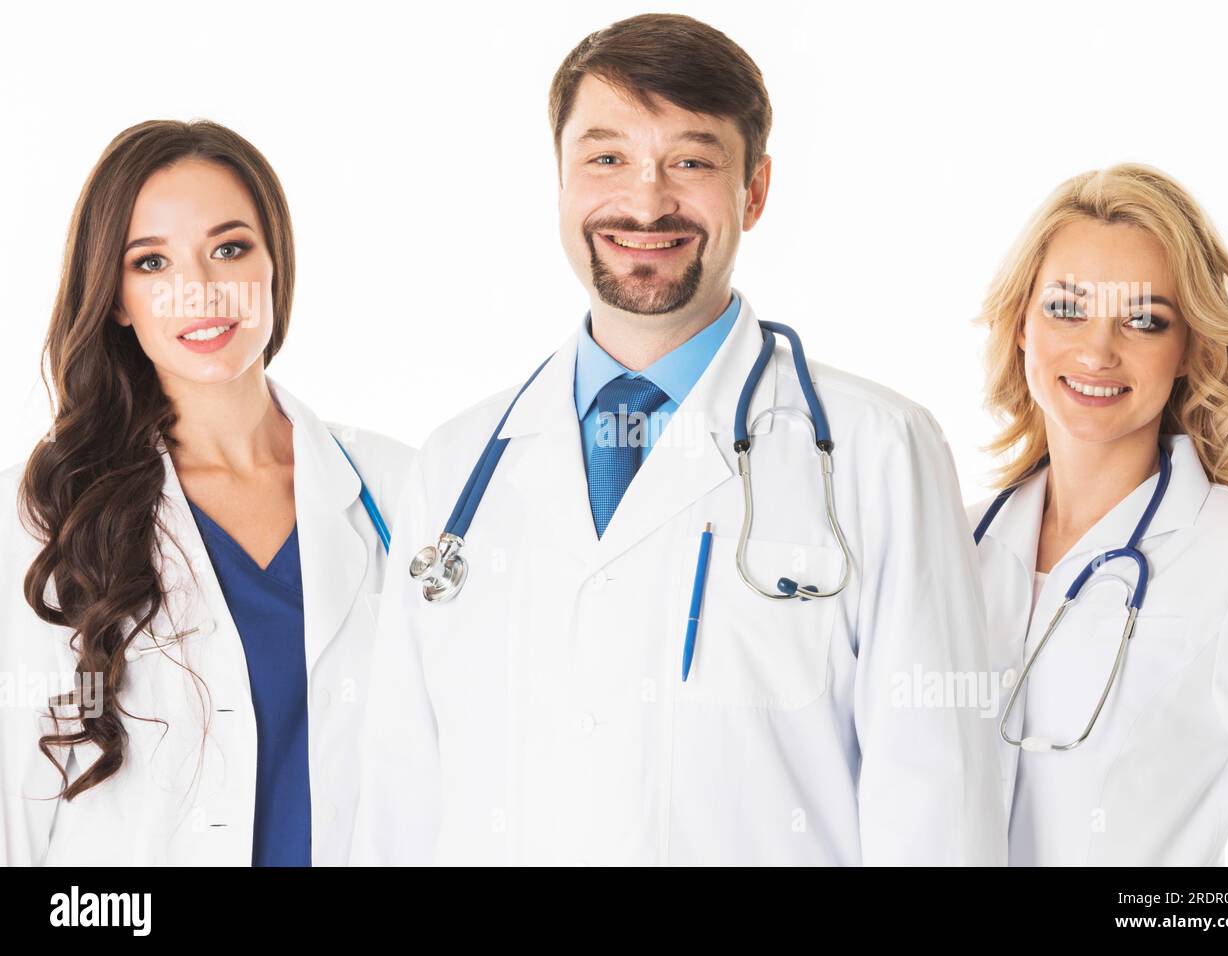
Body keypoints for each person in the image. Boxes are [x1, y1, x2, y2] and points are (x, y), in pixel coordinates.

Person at [350, 13, 1004, 866]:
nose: (647, 201)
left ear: (755, 191)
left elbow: (937, 809)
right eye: (607, 158)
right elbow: (401, 806)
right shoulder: (459, 465)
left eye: (692, 161)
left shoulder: (880, 451)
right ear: (561, 180)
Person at [0, 120, 413, 866]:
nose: (199, 291)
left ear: (275, 263)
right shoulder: (43, 515)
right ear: (117, 298)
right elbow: (14, 816)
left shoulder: (402, 491)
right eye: (152, 262)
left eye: (229, 249)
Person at [969, 162, 1228, 865]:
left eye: (1144, 320)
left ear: (1188, 350)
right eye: (1067, 308)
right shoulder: (950, 543)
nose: (1097, 350)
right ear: (1022, 323)